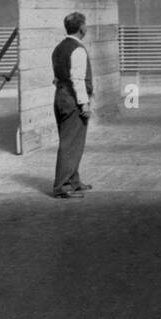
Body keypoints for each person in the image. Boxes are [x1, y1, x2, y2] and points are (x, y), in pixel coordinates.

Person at [51, 11, 94, 199]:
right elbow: (77, 79)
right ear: (81, 28)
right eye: (85, 24)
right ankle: (61, 187)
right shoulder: (77, 49)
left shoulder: (58, 48)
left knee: (71, 141)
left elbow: (57, 77)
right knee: (70, 143)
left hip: (60, 97)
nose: (86, 27)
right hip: (72, 100)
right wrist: (84, 103)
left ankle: (74, 182)